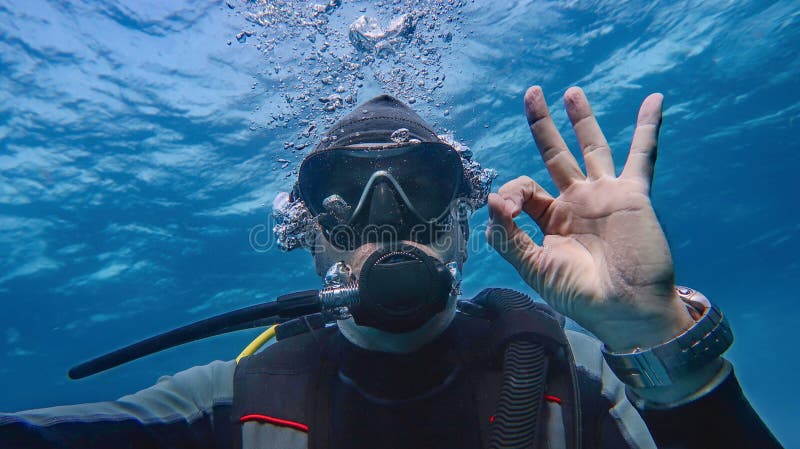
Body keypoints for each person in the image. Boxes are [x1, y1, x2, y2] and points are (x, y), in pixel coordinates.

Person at [0, 87, 783, 449]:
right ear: (307, 233)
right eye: (341, 194)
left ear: (463, 225)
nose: (384, 215)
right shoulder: (238, 400)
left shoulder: (562, 373)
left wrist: (650, 331)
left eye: (422, 184)